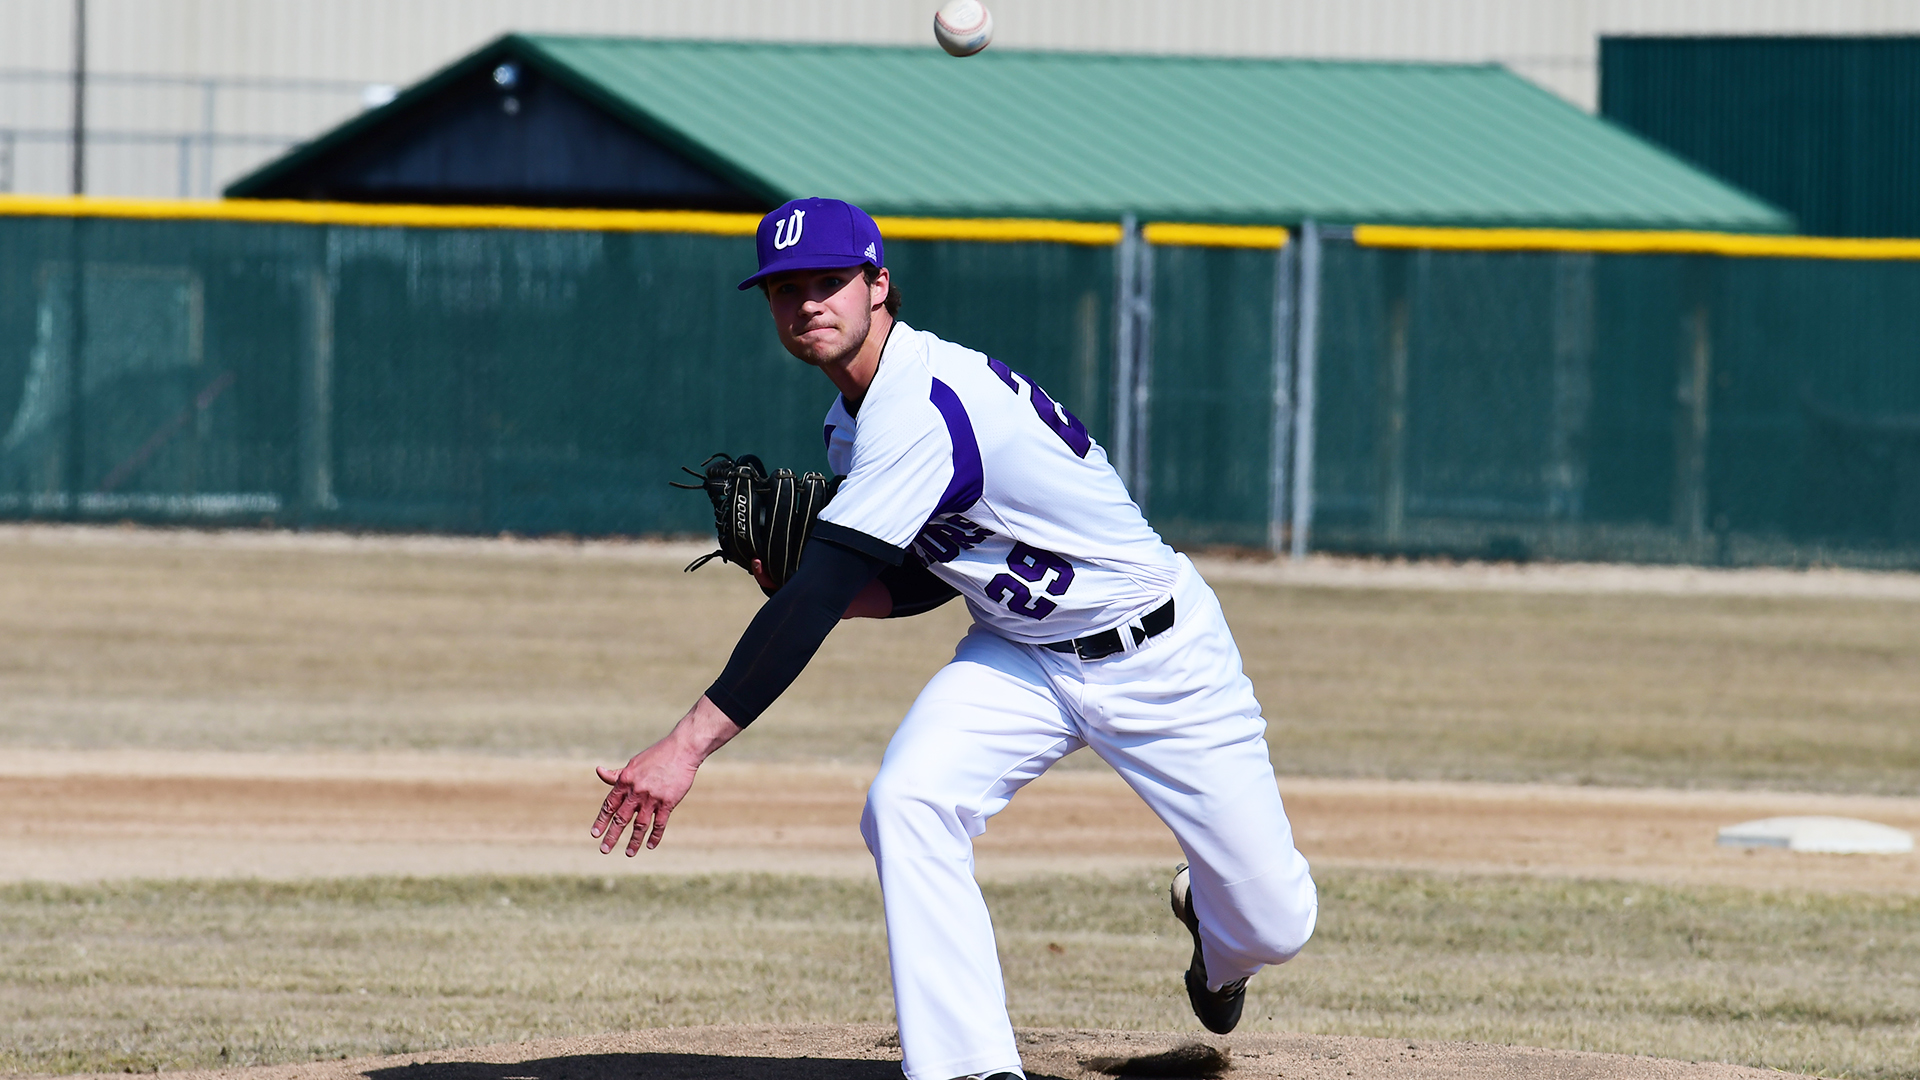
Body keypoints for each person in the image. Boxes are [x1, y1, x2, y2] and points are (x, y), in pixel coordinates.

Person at [593, 197, 1317, 1080]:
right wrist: (811, 585)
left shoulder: (919, 404)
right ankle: (969, 1068)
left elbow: (817, 596)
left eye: (829, 282)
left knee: (1278, 923)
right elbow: (929, 576)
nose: (807, 304)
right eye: (785, 289)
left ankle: (1217, 939)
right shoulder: (850, 423)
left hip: (1159, 653)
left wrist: (687, 744)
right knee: (905, 802)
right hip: (1018, 652)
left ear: (879, 285)